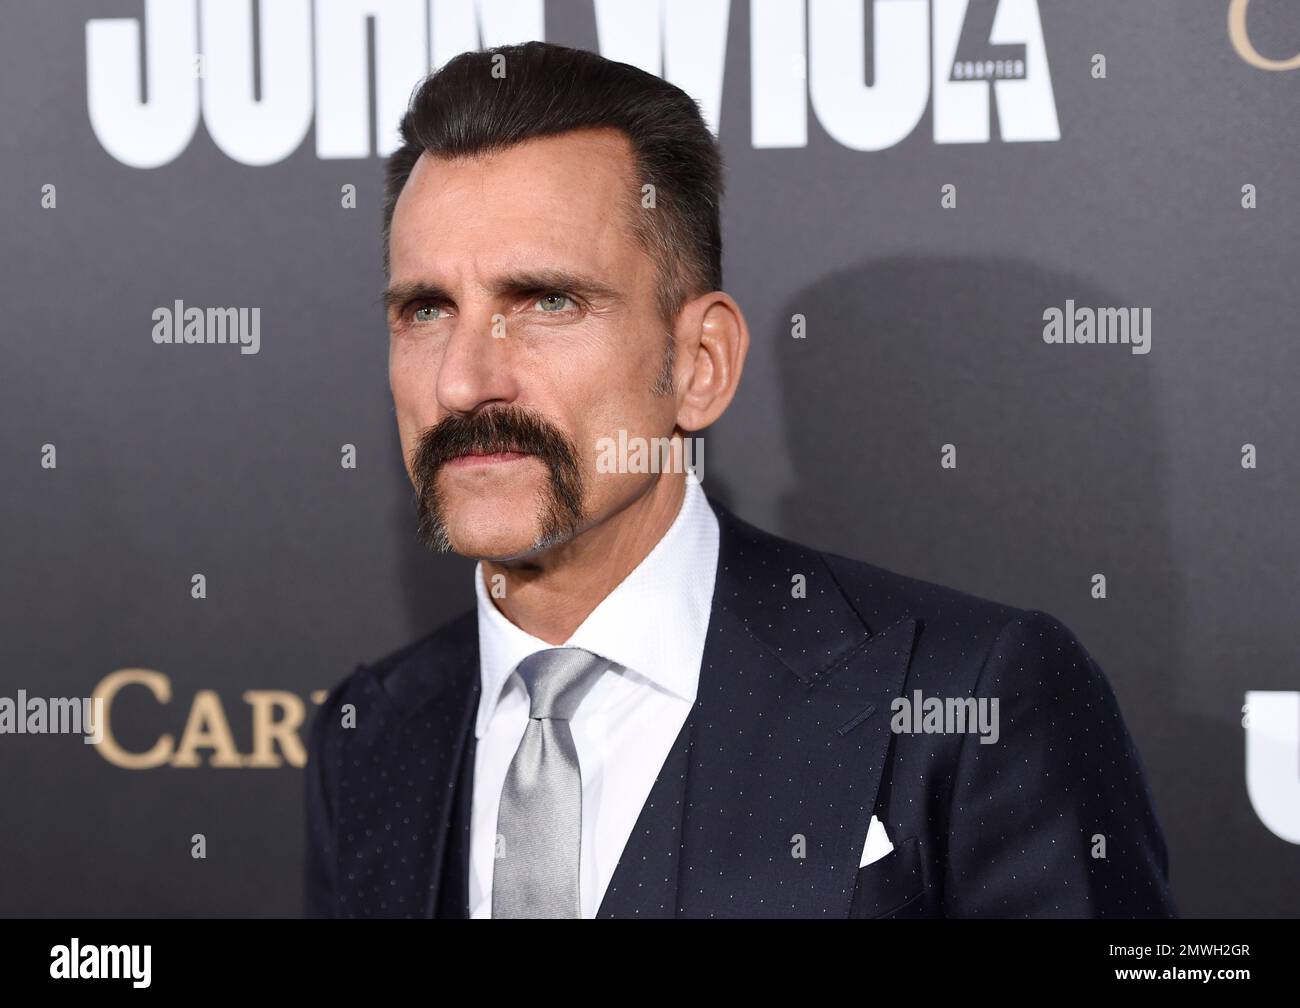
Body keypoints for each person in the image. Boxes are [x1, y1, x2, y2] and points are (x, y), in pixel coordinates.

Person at [304, 41, 1174, 919]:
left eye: (547, 302)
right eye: (426, 310)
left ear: (700, 364)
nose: (462, 381)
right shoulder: (371, 734)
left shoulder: (971, 697)